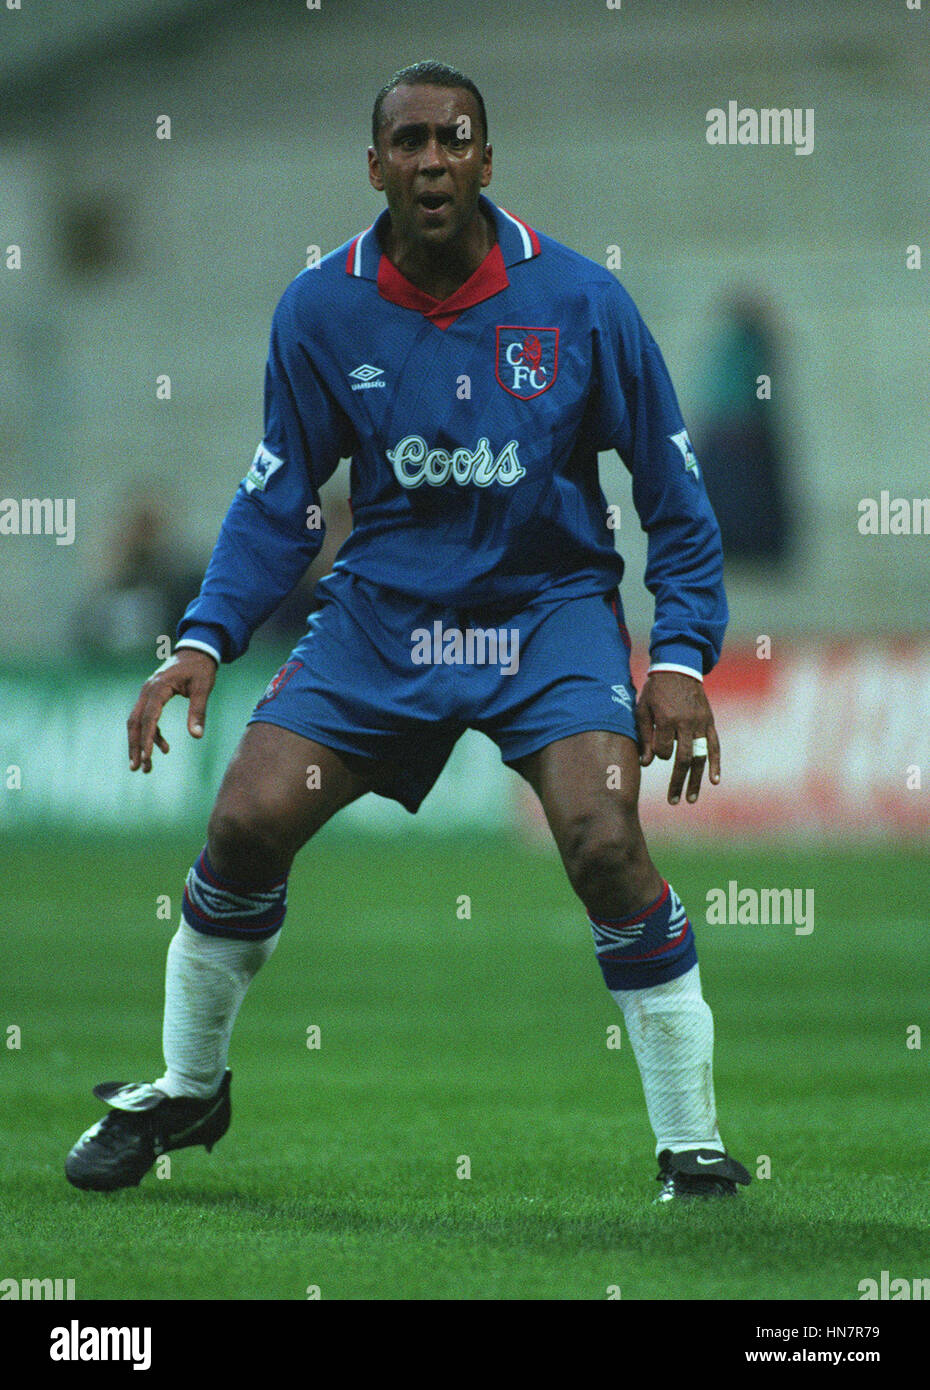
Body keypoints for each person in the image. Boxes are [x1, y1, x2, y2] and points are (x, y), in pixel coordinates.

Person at [66, 61, 750, 1205]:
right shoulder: (319, 309)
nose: (433, 160)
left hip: (546, 615)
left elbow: (674, 496)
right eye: (411, 142)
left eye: (454, 138)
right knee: (242, 822)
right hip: (385, 618)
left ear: (487, 159)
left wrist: (679, 656)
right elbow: (279, 500)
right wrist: (201, 638)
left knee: (604, 840)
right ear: (375, 166)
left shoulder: (583, 301)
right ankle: (188, 1088)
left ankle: (693, 1148)